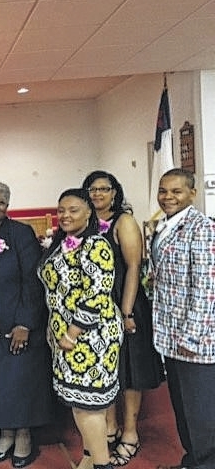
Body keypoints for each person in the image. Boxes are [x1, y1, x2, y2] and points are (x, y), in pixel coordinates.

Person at [81, 171, 164, 467]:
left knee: (130, 372)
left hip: (124, 302)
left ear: (115, 192)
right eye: (92, 189)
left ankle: (130, 433)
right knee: (108, 369)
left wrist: (126, 311)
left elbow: (133, 267)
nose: (97, 194)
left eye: (104, 189)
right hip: (98, 307)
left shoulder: (123, 221)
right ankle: (110, 426)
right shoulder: (86, 222)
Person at [37, 188, 122, 469]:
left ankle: (102, 464)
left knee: (89, 407)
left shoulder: (96, 245)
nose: (65, 215)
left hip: (90, 337)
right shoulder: (63, 243)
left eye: (73, 210)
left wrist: (72, 334)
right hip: (65, 338)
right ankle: (88, 459)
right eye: (61, 210)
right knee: (80, 403)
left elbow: (97, 294)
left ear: (89, 213)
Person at [0, 182, 53, 468]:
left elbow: (33, 280)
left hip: (15, 322)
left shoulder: (20, 233)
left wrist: (24, 323)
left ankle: (23, 436)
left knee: (20, 382)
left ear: (7, 205)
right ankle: (5, 434)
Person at [150, 168, 215, 469]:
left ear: (192, 193)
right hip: (170, 335)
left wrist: (191, 337)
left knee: (201, 411)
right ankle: (192, 460)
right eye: (163, 191)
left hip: (195, 341)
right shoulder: (164, 224)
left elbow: (206, 288)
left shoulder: (202, 228)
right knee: (182, 406)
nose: (168, 197)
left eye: (176, 191)